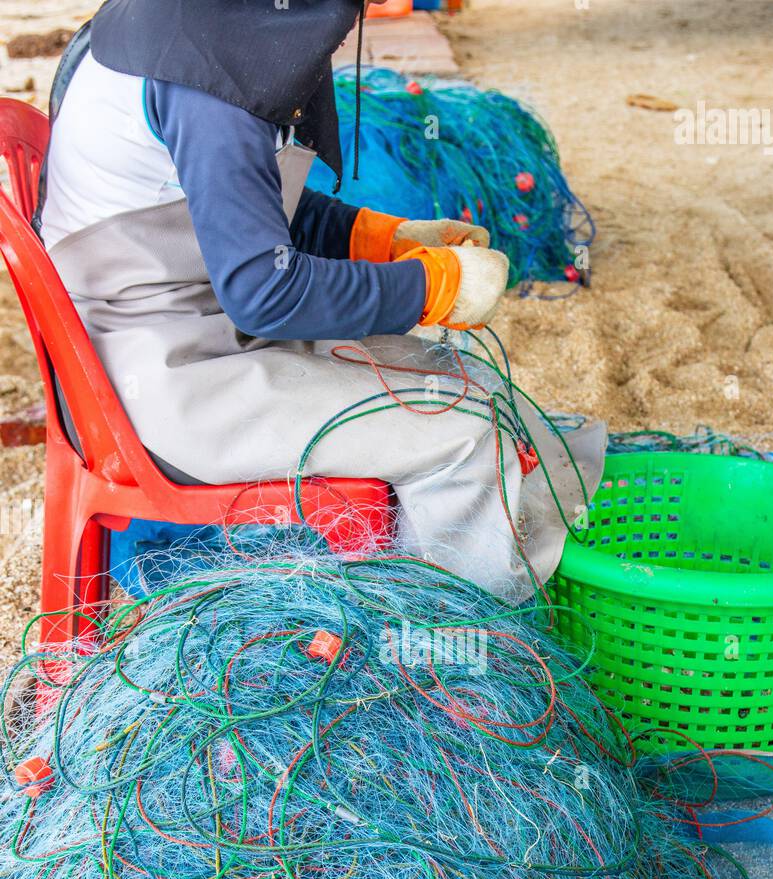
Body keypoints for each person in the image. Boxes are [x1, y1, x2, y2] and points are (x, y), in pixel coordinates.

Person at [38, 0, 605, 600]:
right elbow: (265, 289)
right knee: (465, 437)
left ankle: (556, 571)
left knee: (464, 380)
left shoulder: (199, 25)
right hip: (160, 384)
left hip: (199, 329)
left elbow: (242, 207)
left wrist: (378, 237)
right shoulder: (207, 73)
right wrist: (431, 288)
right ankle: (465, 663)